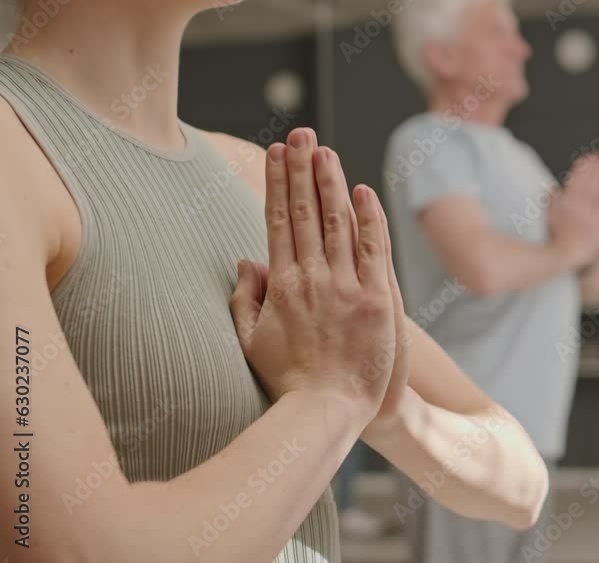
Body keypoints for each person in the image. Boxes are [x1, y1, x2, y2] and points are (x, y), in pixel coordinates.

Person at [0, 1, 551, 562]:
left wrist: (388, 411)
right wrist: (329, 400)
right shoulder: (14, 152)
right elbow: (64, 549)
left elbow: (521, 484)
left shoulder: (256, 181)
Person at [384, 0, 599, 561]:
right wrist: (571, 249)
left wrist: (586, 253)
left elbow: (589, 283)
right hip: (463, 428)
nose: (523, 47)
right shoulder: (427, 141)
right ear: (441, 56)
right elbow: (483, 268)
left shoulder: (521, 156)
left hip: (531, 427)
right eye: (499, 33)